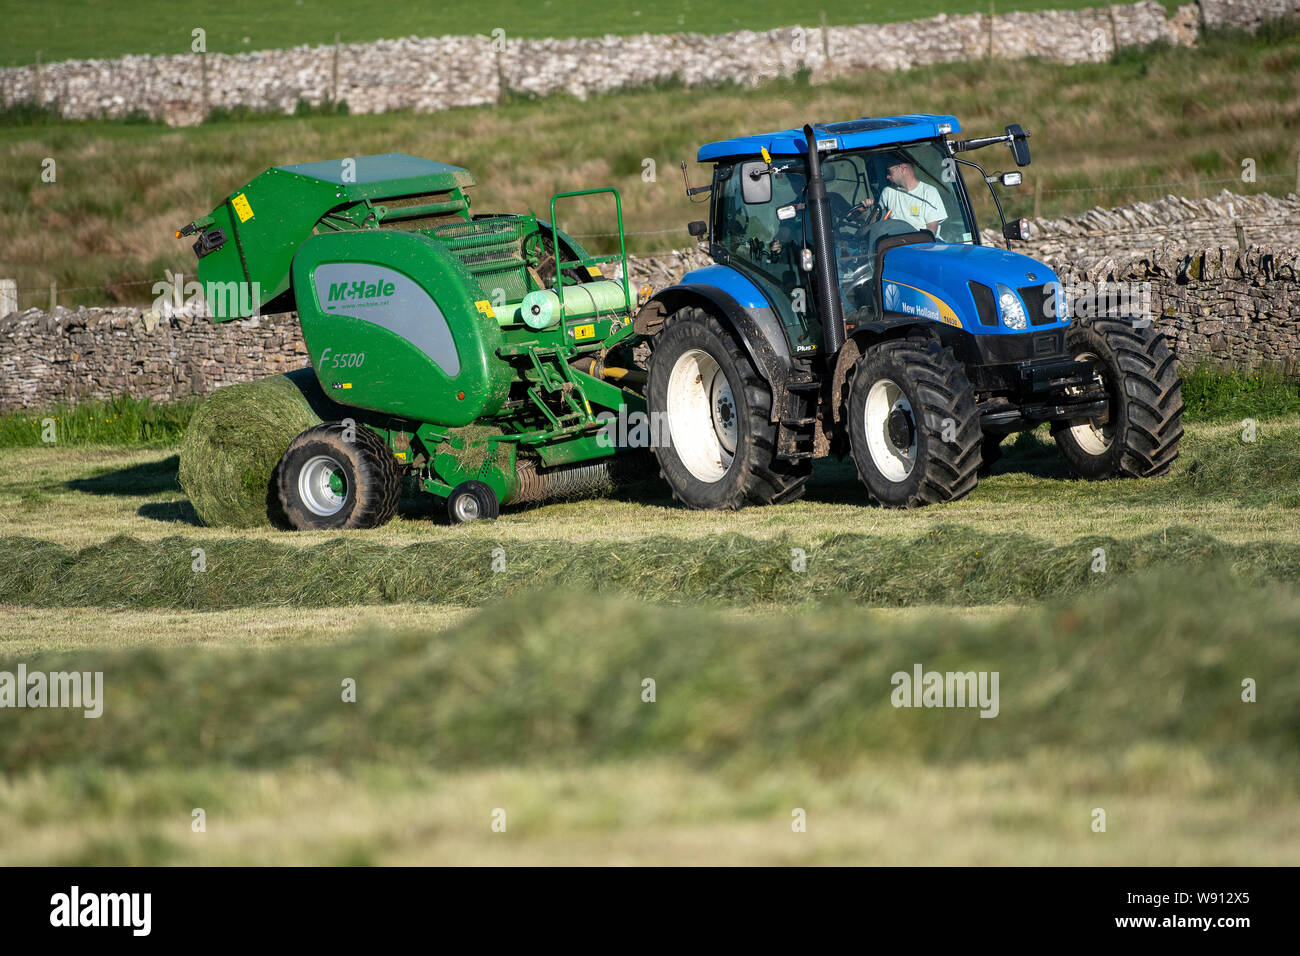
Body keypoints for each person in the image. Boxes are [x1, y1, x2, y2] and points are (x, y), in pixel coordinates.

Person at [851, 153, 946, 235]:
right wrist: (864, 212)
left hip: (922, 245)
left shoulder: (929, 192)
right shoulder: (888, 192)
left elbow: (931, 231)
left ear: (902, 169)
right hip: (894, 244)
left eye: (889, 172)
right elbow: (873, 225)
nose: (887, 176)